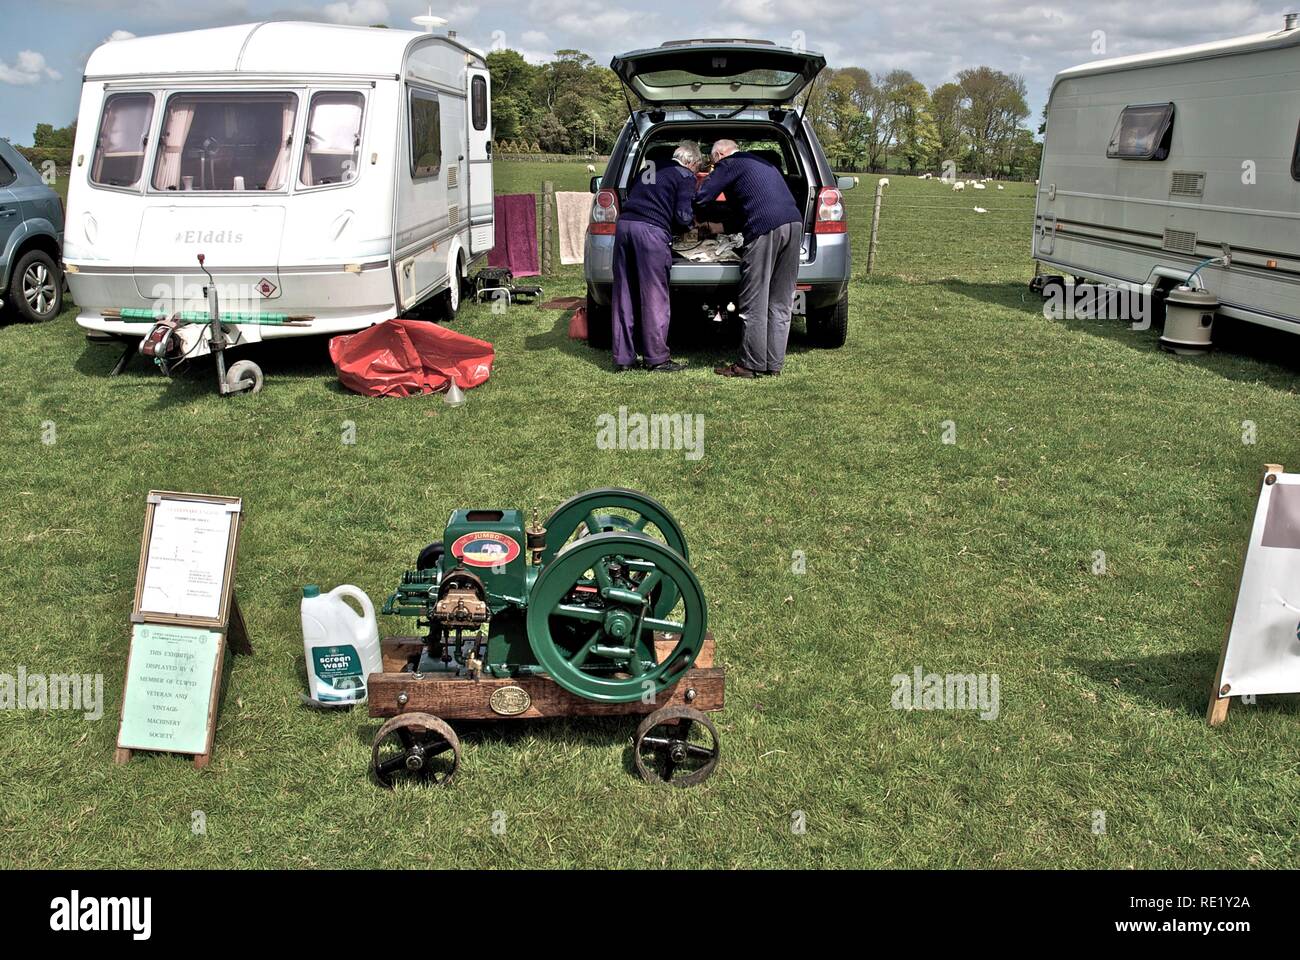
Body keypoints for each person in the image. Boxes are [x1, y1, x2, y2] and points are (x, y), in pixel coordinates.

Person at [694, 139, 804, 378]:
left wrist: (688, 208)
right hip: (793, 225)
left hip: (765, 229)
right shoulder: (760, 164)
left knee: (754, 300)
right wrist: (714, 227)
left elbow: (702, 197)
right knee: (780, 300)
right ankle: (773, 365)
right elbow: (745, 210)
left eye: (713, 163)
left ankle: (749, 365)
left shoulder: (730, 163)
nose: (714, 167)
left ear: (719, 155)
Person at [609, 141, 703, 372]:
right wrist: (695, 225)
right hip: (650, 233)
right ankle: (657, 358)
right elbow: (682, 216)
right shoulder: (684, 175)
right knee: (654, 296)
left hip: (625, 227)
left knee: (624, 293)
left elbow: (639, 194)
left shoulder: (650, 169)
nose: (695, 172)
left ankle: (623, 358)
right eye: (697, 167)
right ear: (690, 162)